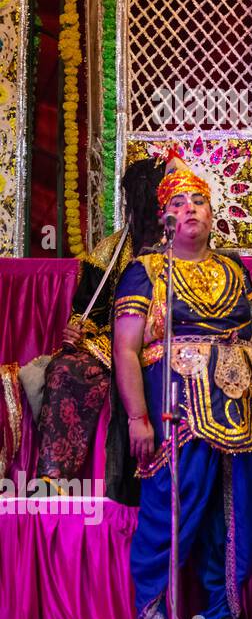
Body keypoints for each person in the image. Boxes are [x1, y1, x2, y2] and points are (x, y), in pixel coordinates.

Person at [112, 165, 252, 619]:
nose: (189, 211)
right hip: (178, 411)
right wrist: (138, 418)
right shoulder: (147, 271)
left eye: (197, 202)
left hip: (238, 410)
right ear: (165, 220)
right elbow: (125, 348)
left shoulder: (234, 270)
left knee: (233, 517)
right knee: (172, 510)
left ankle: (222, 616)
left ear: (212, 212)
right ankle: (153, 615)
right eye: (178, 205)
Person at [32, 158, 166, 493]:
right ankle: (53, 478)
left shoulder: (183, 246)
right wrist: (78, 329)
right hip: (114, 344)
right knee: (65, 369)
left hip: (170, 343)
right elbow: (86, 312)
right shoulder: (111, 249)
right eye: (133, 203)